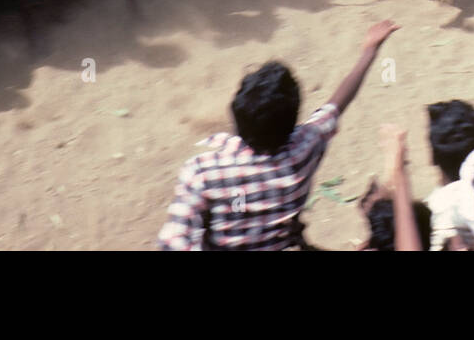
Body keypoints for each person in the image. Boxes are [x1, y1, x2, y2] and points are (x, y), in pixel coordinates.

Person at [157, 19, 398, 249]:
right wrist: (370, 50)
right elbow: (336, 105)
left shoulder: (202, 173)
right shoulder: (305, 149)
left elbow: (173, 241)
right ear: (292, 122)